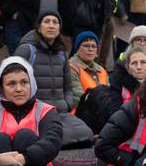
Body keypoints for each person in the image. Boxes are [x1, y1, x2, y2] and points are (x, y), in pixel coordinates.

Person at [15, 11, 91, 147]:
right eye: (47, 21)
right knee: (61, 136)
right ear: (38, 27)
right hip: (37, 111)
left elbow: (68, 87)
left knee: (85, 134)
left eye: (55, 22)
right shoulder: (27, 49)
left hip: (61, 111)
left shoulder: (62, 53)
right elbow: (14, 83)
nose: (51, 26)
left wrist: (67, 104)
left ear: (59, 28)